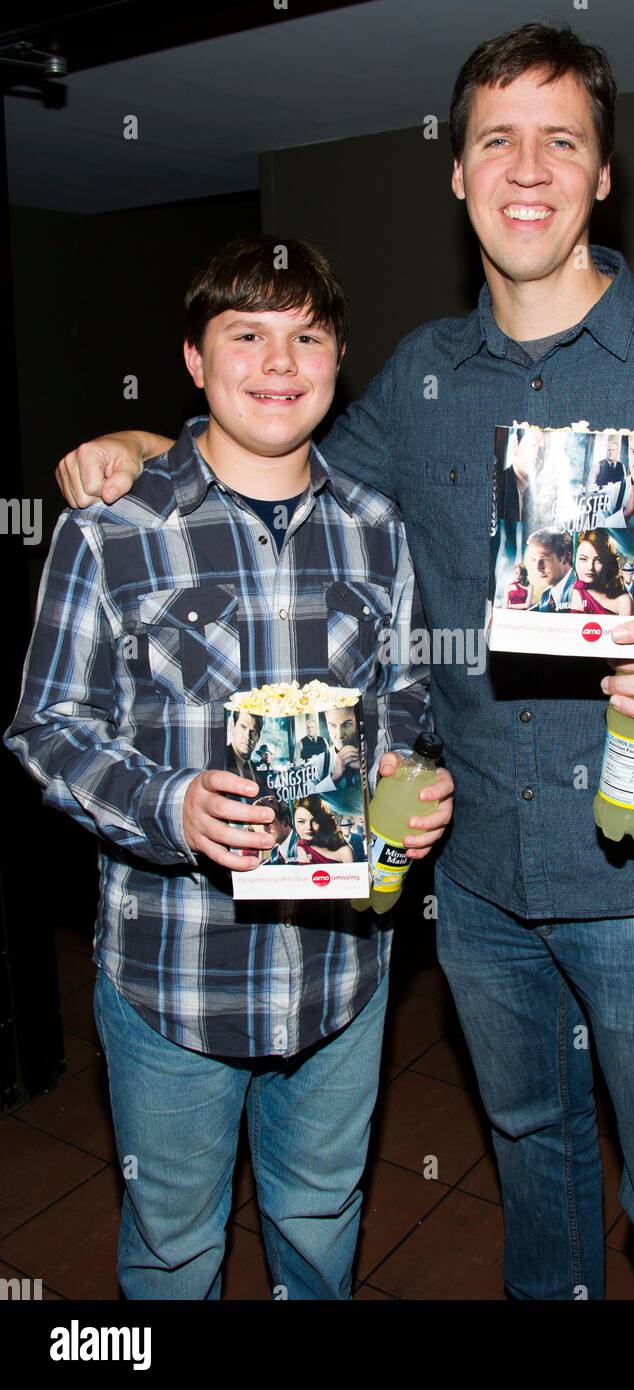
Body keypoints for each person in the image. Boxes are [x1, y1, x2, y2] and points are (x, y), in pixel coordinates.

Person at [54, 24, 634, 1302]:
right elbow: (282, 456)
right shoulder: (420, 378)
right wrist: (149, 442)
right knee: (530, 1152)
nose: (526, 167)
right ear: (459, 173)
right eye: (497, 140)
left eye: (560, 141)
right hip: (472, 879)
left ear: (600, 176)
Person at [9, 233, 454, 1301]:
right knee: (173, 1246)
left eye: (306, 336)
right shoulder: (113, 530)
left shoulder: (376, 532)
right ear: (195, 361)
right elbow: (49, 727)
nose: (278, 360)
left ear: (338, 360)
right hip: (175, 973)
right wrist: (170, 806)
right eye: (245, 334)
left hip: (342, 972)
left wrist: (409, 784)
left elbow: (406, 697)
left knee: (319, 1218)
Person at [568, 531, 632, 616]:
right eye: (583, 559)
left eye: (599, 560)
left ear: (608, 563)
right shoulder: (565, 593)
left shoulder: (623, 599)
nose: (590, 567)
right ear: (574, 560)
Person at [290, 796, 355, 864]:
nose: (309, 827)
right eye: (301, 822)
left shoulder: (344, 850)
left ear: (323, 821)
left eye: (315, 821)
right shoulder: (295, 850)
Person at [526, 529, 575, 611]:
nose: (538, 568)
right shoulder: (546, 596)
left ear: (566, 557)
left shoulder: (580, 591)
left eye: (544, 559)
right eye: (534, 560)